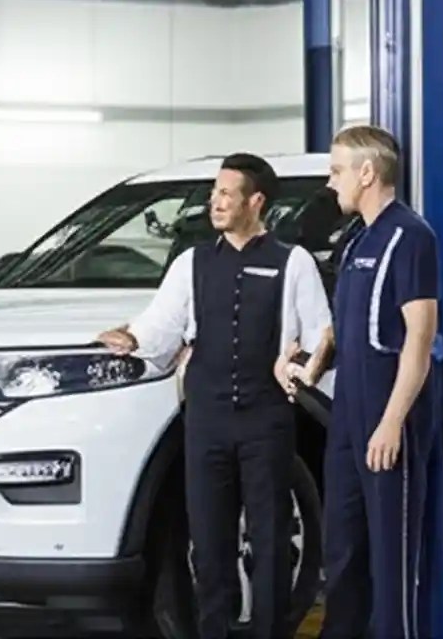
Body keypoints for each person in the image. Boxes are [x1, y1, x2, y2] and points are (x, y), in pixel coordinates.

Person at [97, 153, 332, 639]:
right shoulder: (193, 263)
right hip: (205, 420)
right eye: (214, 194)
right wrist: (132, 339)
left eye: (226, 193)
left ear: (256, 201)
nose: (215, 203)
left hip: (267, 419)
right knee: (207, 541)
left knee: (268, 539)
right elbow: (161, 325)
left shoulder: (293, 263)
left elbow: (320, 337)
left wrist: (298, 365)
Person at [315, 125, 440, 639]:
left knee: (392, 557)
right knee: (341, 549)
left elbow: (420, 336)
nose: (330, 183)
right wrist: (311, 362)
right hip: (347, 413)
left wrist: (391, 423)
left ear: (367, 173)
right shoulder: (357, 238)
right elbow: (344, 324)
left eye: (337, 170)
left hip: (389, 413)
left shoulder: (410, 236)